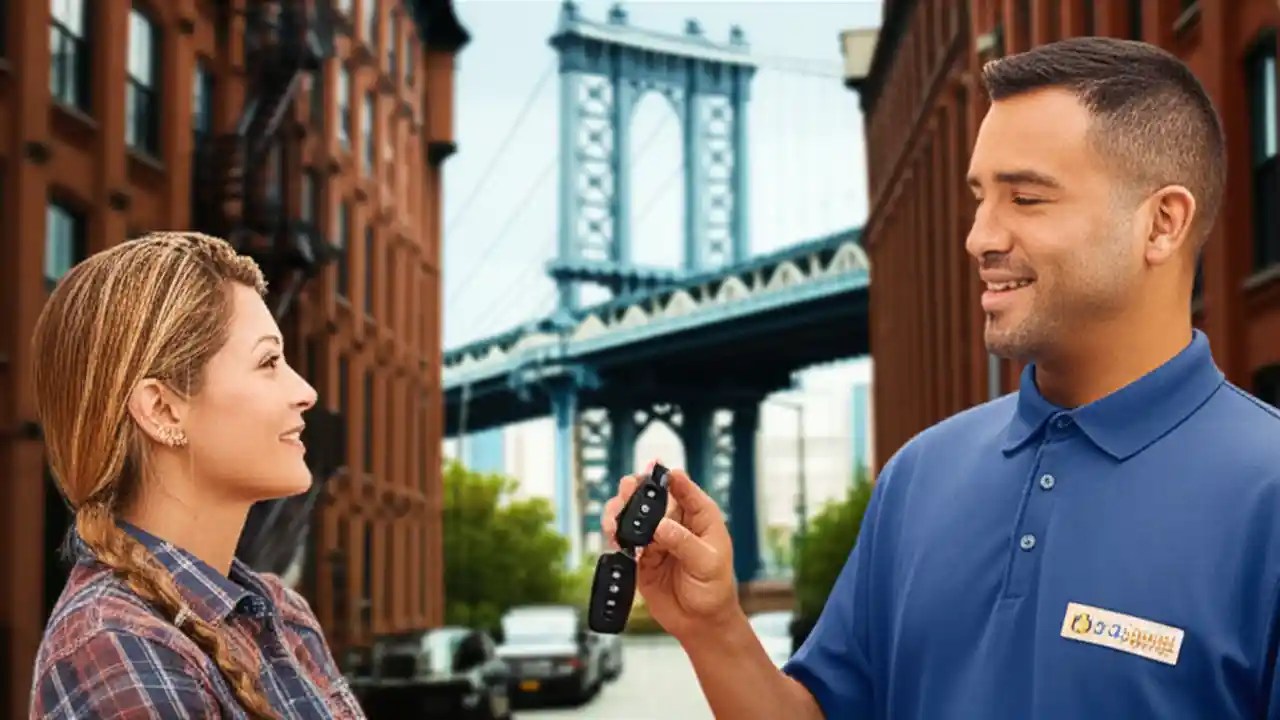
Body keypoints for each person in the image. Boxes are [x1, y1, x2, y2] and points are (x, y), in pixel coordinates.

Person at [602, 36, 1280, 719]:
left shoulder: (1266, 494)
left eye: (1026, 198)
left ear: (1162, 224)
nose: (979, 237)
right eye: (980, 198)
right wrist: (714, 626)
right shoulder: (919, 476)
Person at [27, 232, 365, 719]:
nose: (306, 391)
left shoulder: (286, 616)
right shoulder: (113, 647)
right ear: (162, 409)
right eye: (268, 362)